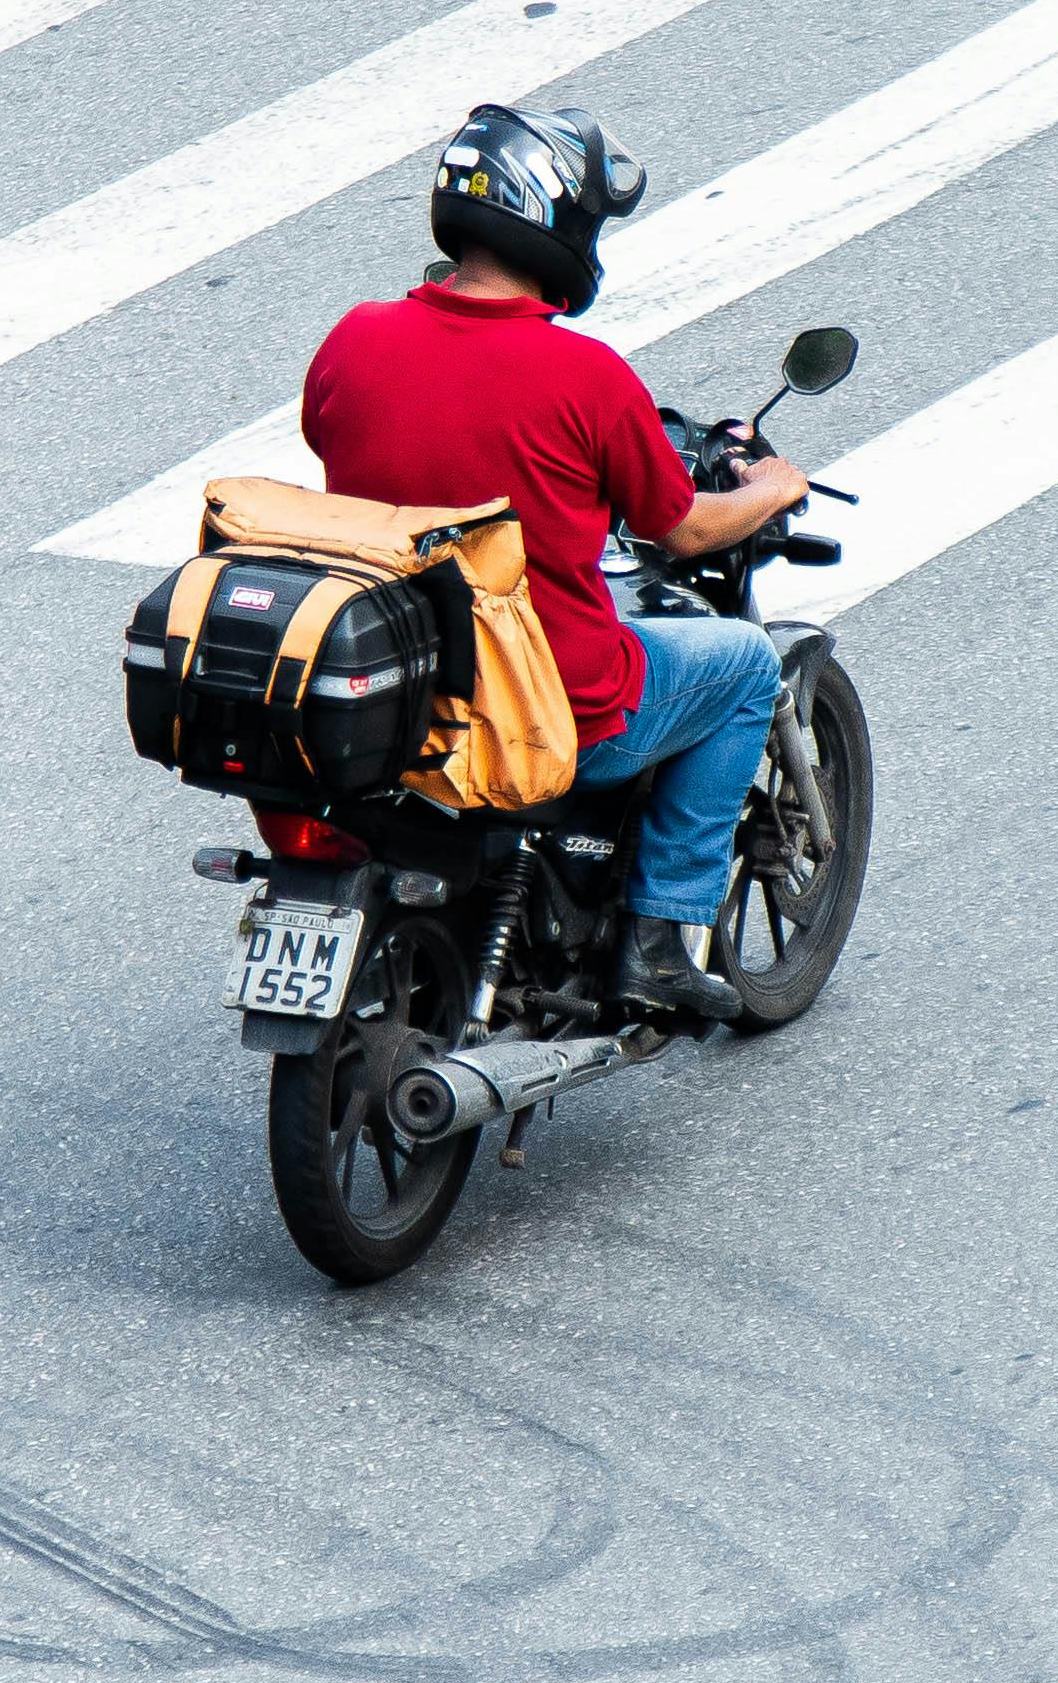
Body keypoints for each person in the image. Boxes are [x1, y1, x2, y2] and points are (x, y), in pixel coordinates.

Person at [299, 101, 809, 1025]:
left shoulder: (354, 337)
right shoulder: (584, 375)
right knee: (742, 664)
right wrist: (770, 487)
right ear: (557, 223)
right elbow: (682, 530)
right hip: (551, 709)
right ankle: (657, 942)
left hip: (396, 686)